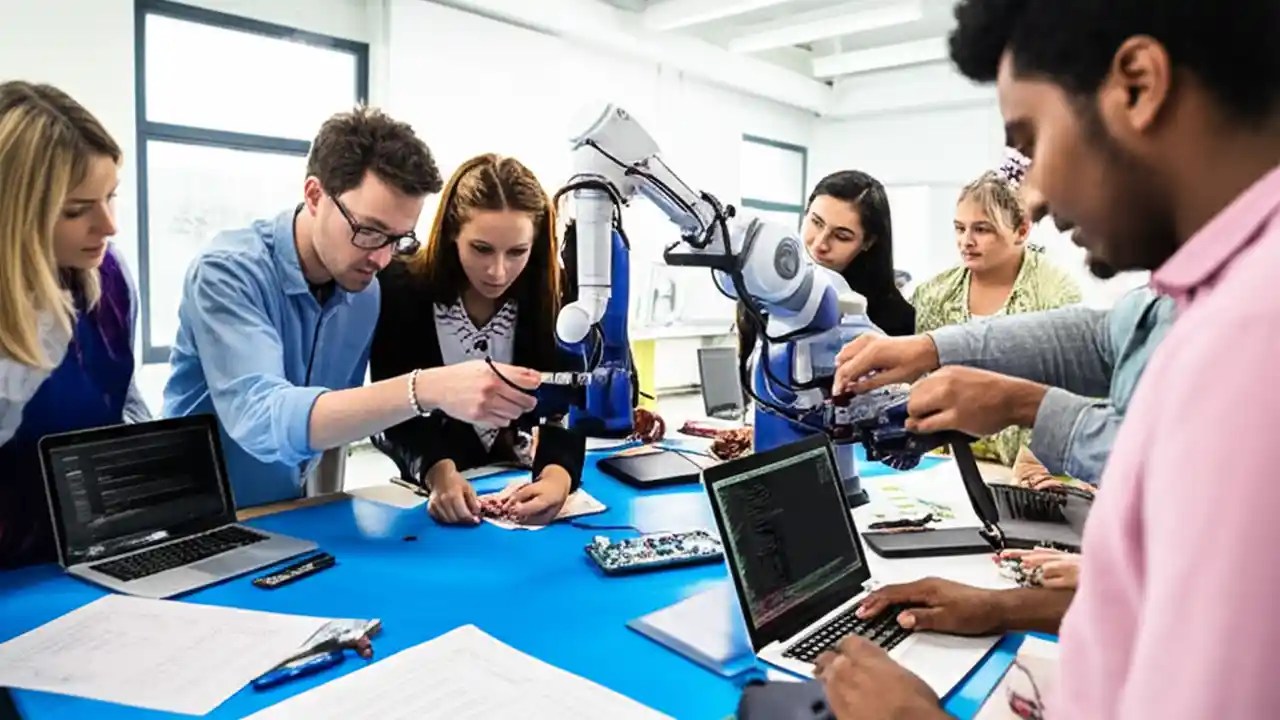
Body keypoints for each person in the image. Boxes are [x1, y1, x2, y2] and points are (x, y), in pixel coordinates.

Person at [816, 1, 1280, 719]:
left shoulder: (1250, 340)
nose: (1031, 193)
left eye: (1032, 140)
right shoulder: (1215, 284)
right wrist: (1006, 608)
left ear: (1136, 85)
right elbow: (1096, 339)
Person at [163, 109, 543, 509]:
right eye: (368, 231)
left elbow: (333, 427)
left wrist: (322, 510)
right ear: (314, 195)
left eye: (396, 238)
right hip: (192, 523)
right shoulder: (227, 273)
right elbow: (265, 420)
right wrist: (427, 387)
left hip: (282, 515)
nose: (381, 258)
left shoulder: (365, 292)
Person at [370, 154, 584, 526]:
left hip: (516, 489)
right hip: (422, 506)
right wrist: (439, 473)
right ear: (453, 231)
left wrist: (556, 478)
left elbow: (563, 407)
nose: (498, 271)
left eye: (517, 252)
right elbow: (388, 411)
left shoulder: (554, 294)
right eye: (481, 249)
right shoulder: (397, 288)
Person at [834, 264, 1175, 487]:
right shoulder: (1173, 296)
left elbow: (1187, 463)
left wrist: (1024, 405)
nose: (1041, 202)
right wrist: (928, 349)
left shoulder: (1224, 315)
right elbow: (1097, 338)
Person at [0, 82, 149, 567]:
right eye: (76, 210)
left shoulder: (110, 278)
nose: (108, 225)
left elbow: (122, 401)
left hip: (88, 556)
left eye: (110, 197)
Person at [910, 170, 1082, 468]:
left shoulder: (1055, 293)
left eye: (982, 229)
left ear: (1022, 231)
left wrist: (1038, 462)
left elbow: (1072, 390)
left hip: (1033, 469)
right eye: (959, 228)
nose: (966, 241)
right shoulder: (933, 294)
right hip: (950, 466)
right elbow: (924, 386)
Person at [737, 170, 915, 364]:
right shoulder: (765, 294)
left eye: (841, 236)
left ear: (868, 242)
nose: (820, 244)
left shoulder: (896, 321)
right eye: (816, 222)